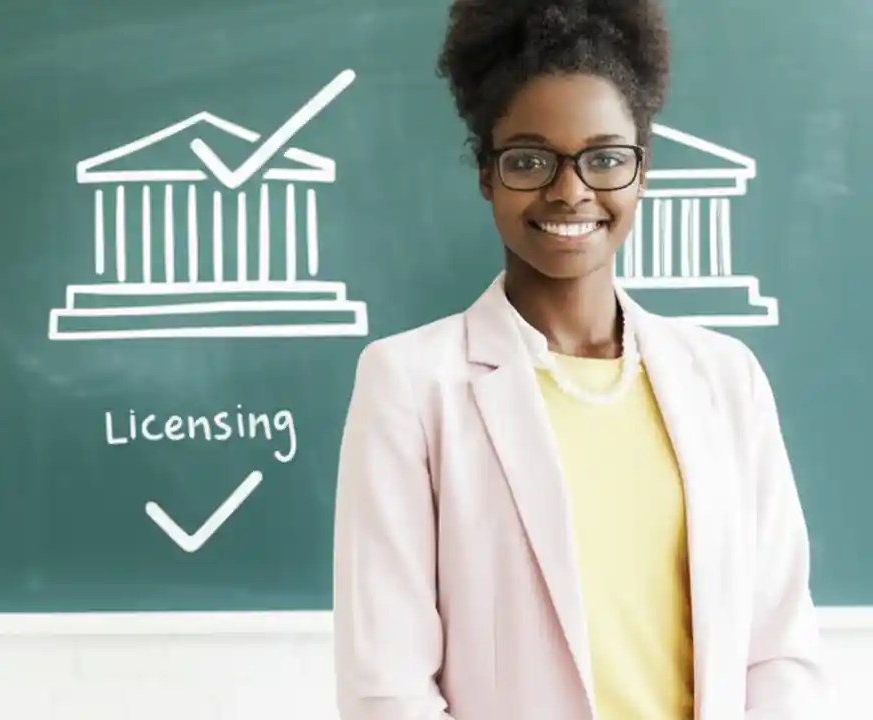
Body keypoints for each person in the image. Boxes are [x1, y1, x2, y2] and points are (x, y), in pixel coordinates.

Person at [331, 1, 828, 718]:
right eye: (530, 159)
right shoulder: (412, 384)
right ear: (486, 175)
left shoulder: (725, 378)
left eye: (604, 158)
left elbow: (777, 643)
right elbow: (388, 686)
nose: (570, 190)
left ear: (641, 171)